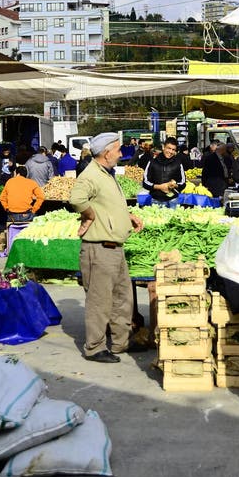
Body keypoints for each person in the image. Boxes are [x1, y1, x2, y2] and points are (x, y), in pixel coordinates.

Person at [69, 132, 146, 363]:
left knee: (123, 299)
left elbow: (107, 203)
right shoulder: (91, 174)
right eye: (118, 150)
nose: (121, 154)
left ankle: (122, 342)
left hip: (114, 248)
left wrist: (126, 215)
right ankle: (95, 347)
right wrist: (90, 215)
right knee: (100, 301)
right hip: (99, 248)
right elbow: (76, 199)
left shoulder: (106, 174)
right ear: (106, 152)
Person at [143, 136, 186, 204]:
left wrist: (175, 185)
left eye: (173, 149)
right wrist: (160, 187)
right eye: (169, 148)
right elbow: (145, 182)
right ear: (163, 147)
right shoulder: (152, 162)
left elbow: (183, 183)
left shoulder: (178, 163)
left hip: (173, 200)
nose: (170, 152)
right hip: (156, 200)